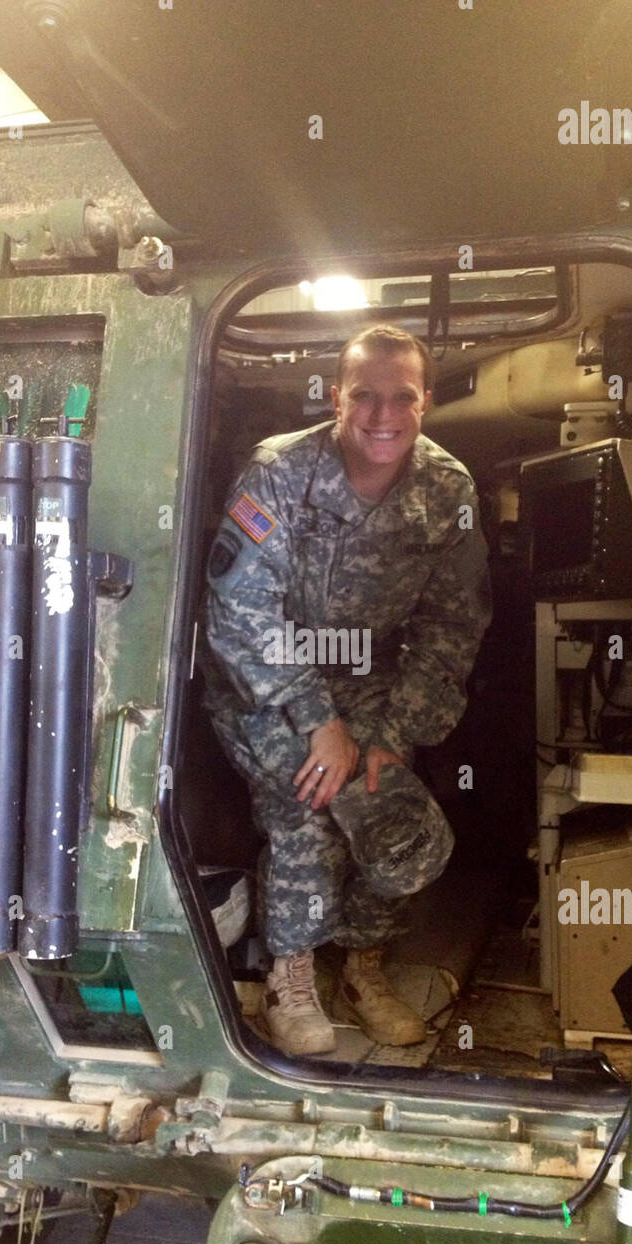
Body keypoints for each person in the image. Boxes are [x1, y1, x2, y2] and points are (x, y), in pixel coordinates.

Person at [201, 324, 491, 1056]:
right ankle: (289, 976)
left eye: (401, 397)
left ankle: (362, 967)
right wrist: (316, 719)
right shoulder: (278, 472)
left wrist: (394, 735)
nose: (381, 414)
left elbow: (451, 625)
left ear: (425, 401)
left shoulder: (446, 488)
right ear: (336, 398)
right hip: (262, 680)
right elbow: (237, 612)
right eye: (364, 395)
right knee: (311, 804)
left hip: (372, 683)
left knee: (403, 833)